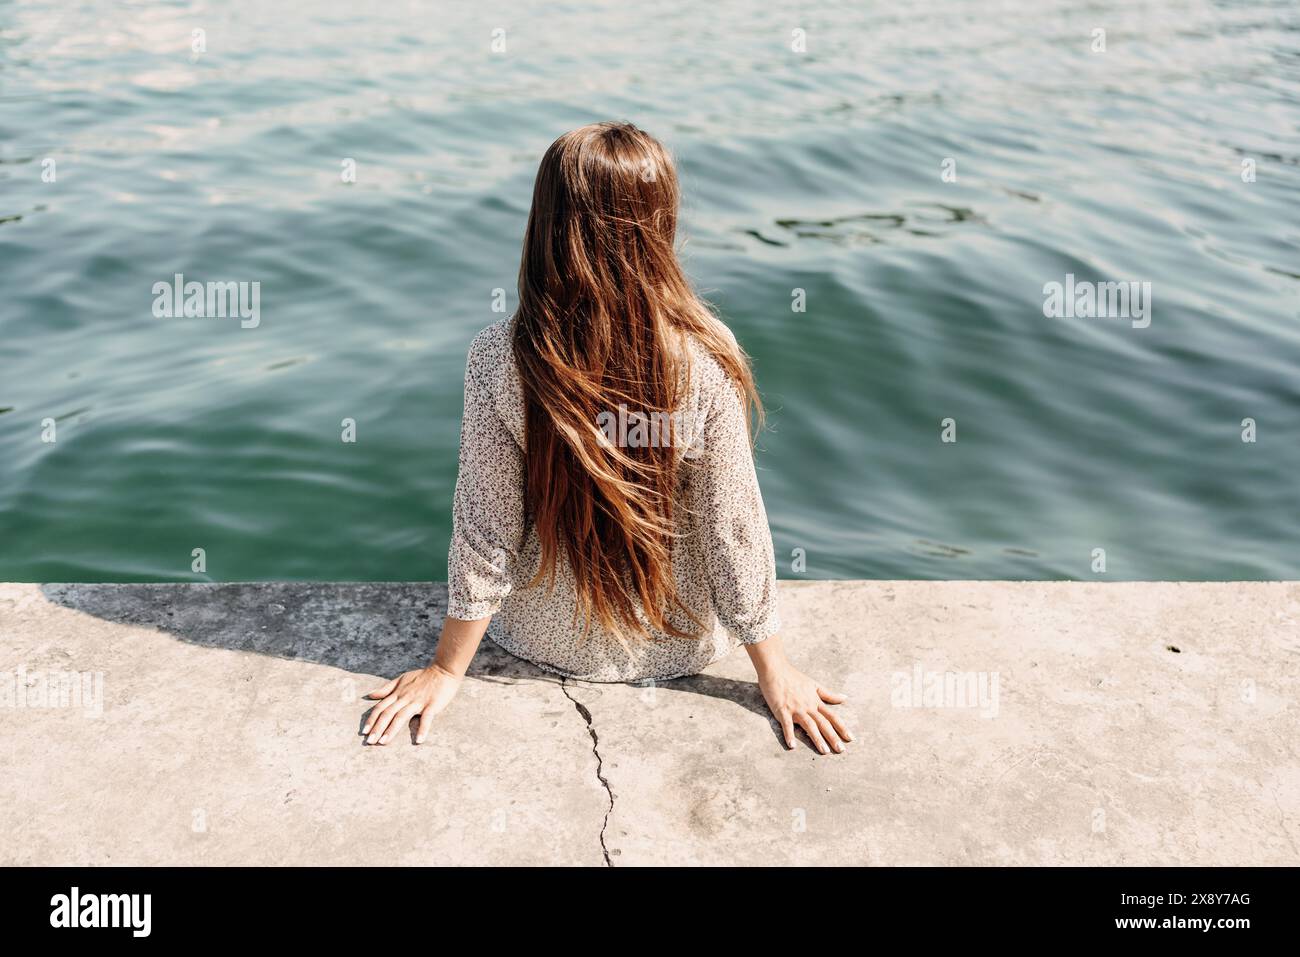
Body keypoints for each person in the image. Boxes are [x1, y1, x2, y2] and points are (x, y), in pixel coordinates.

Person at [364, 122, 850, 754]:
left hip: (538, 634)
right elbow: (731, 526)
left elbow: (486, 525)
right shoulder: (702, 358)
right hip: (681, 640)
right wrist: (774, 669)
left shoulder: (499, 359)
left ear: (546, 223)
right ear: (660, 224)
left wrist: (448, 668)